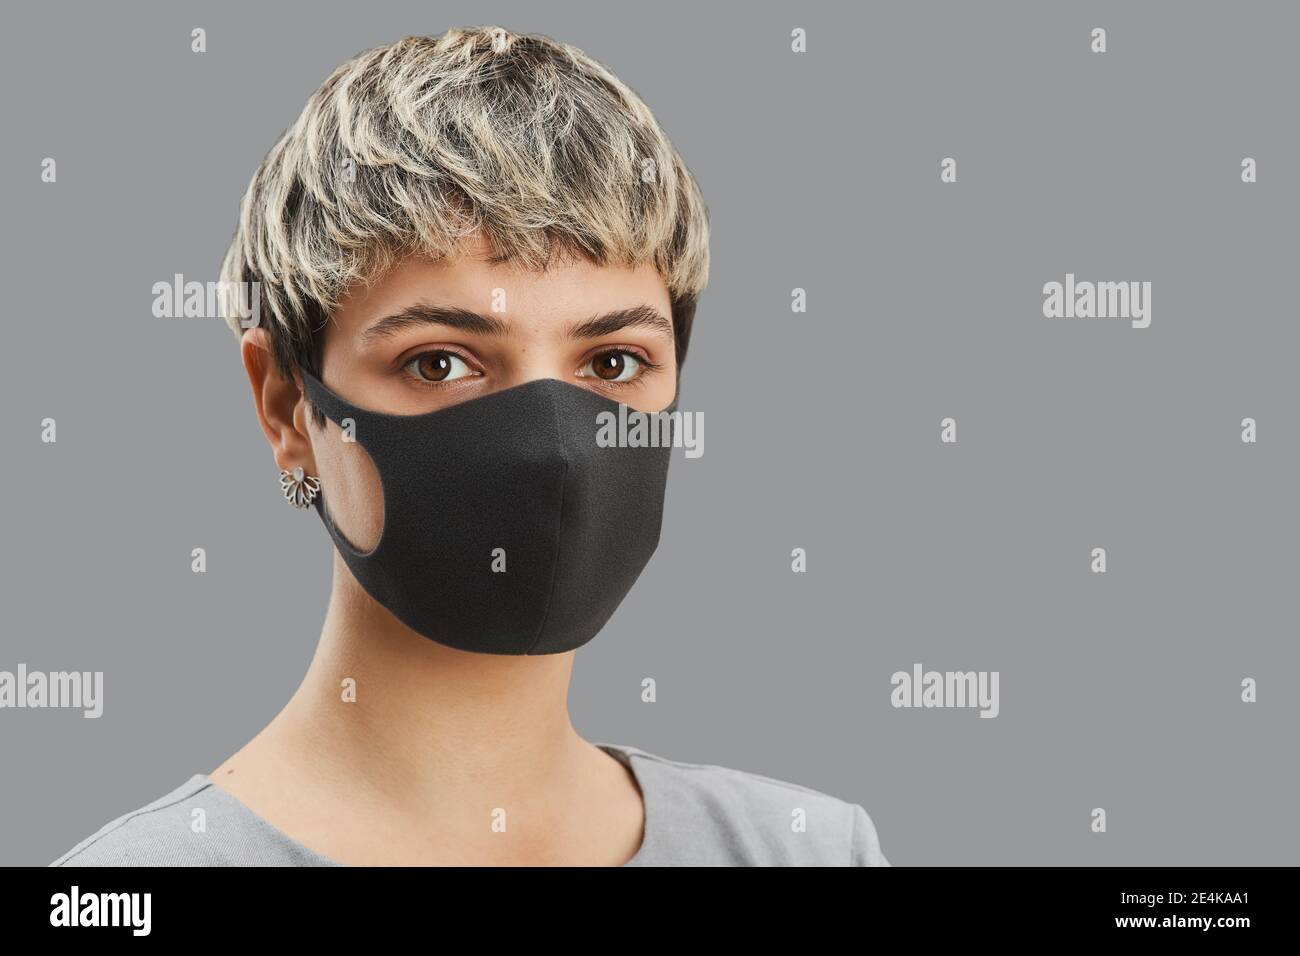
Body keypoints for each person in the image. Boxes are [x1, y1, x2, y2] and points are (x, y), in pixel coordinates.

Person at [50, 25, 888, 867]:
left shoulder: (804, 851)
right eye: (441, 361)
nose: (551, 447)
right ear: (285, 405)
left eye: (612, 361)